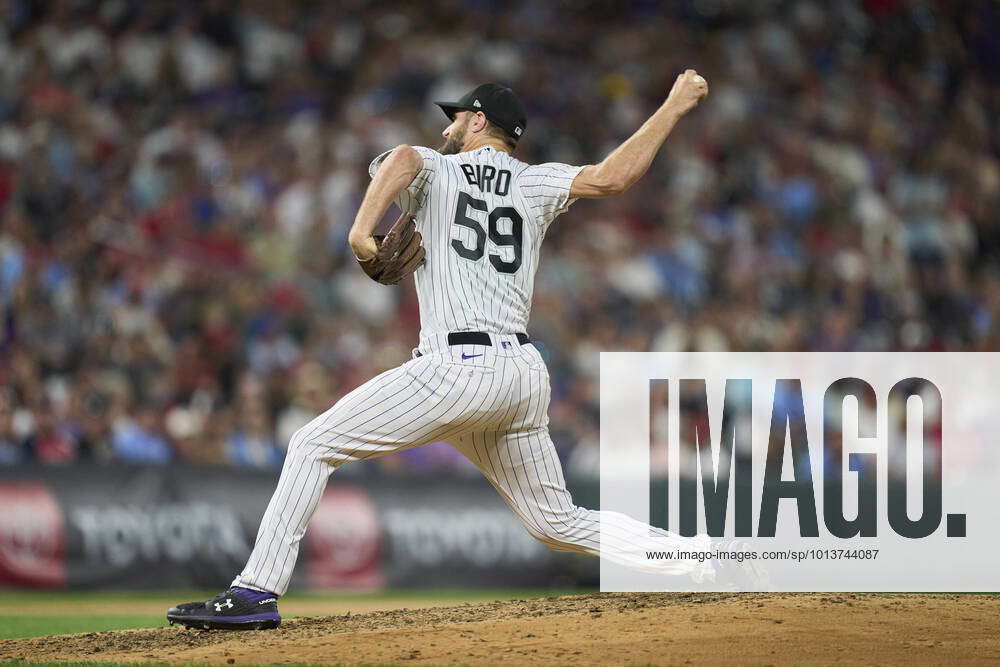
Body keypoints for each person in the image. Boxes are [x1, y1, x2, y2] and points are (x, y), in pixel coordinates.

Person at [168, 70, 715, 630]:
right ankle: (698, 559)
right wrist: (672, 106)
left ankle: (256, 590)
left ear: (478, 121)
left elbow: (402, 156)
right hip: (521, 375)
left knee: (311, 444)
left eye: (456, 116)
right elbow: (613, 177)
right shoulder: (534, 183)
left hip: (457, 368)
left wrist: (362, 232)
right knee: (557, 522)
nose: (448, 126)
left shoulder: (437, 168)